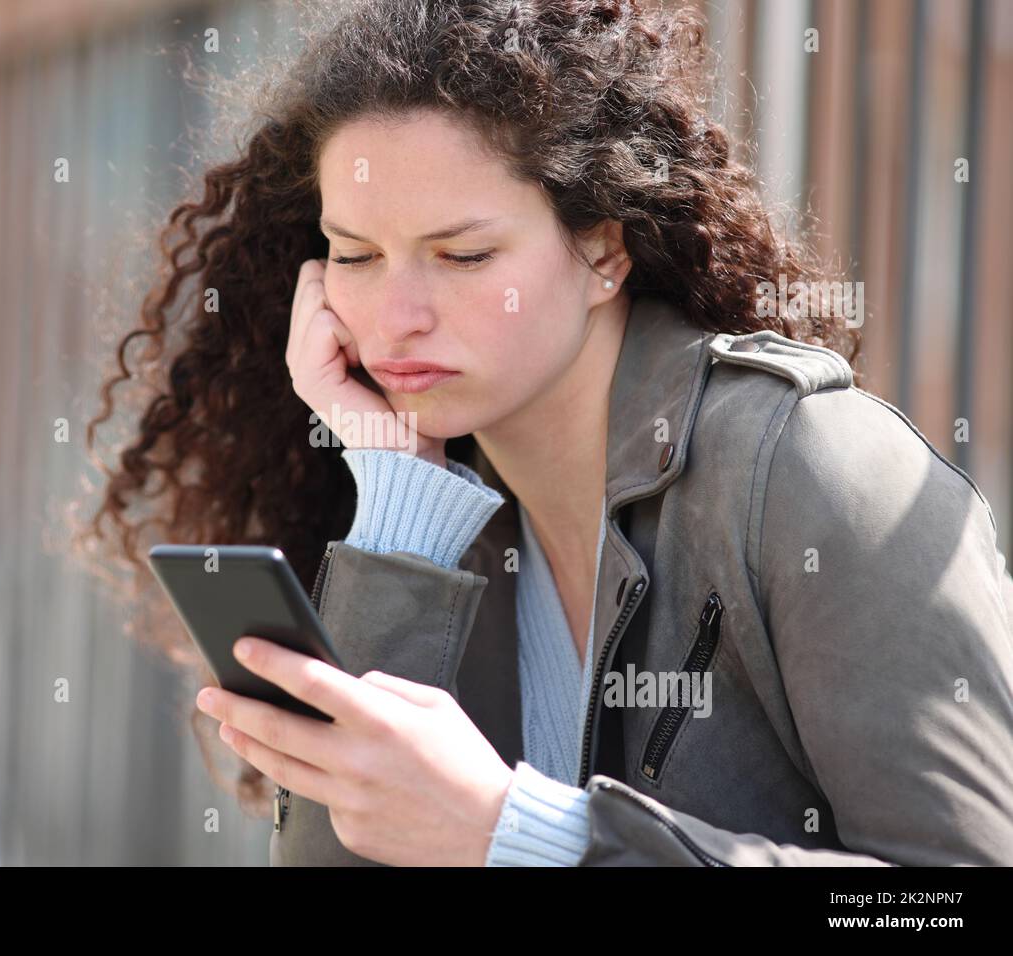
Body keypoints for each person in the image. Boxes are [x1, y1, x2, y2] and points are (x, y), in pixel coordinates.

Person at [83, 0, 1013, 865]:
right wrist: (400, 498)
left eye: (464, 255)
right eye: (356, 256)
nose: (395, 315)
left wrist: (528, 835)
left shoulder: (815, 474)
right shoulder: (441, 516)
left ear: (603, 250)